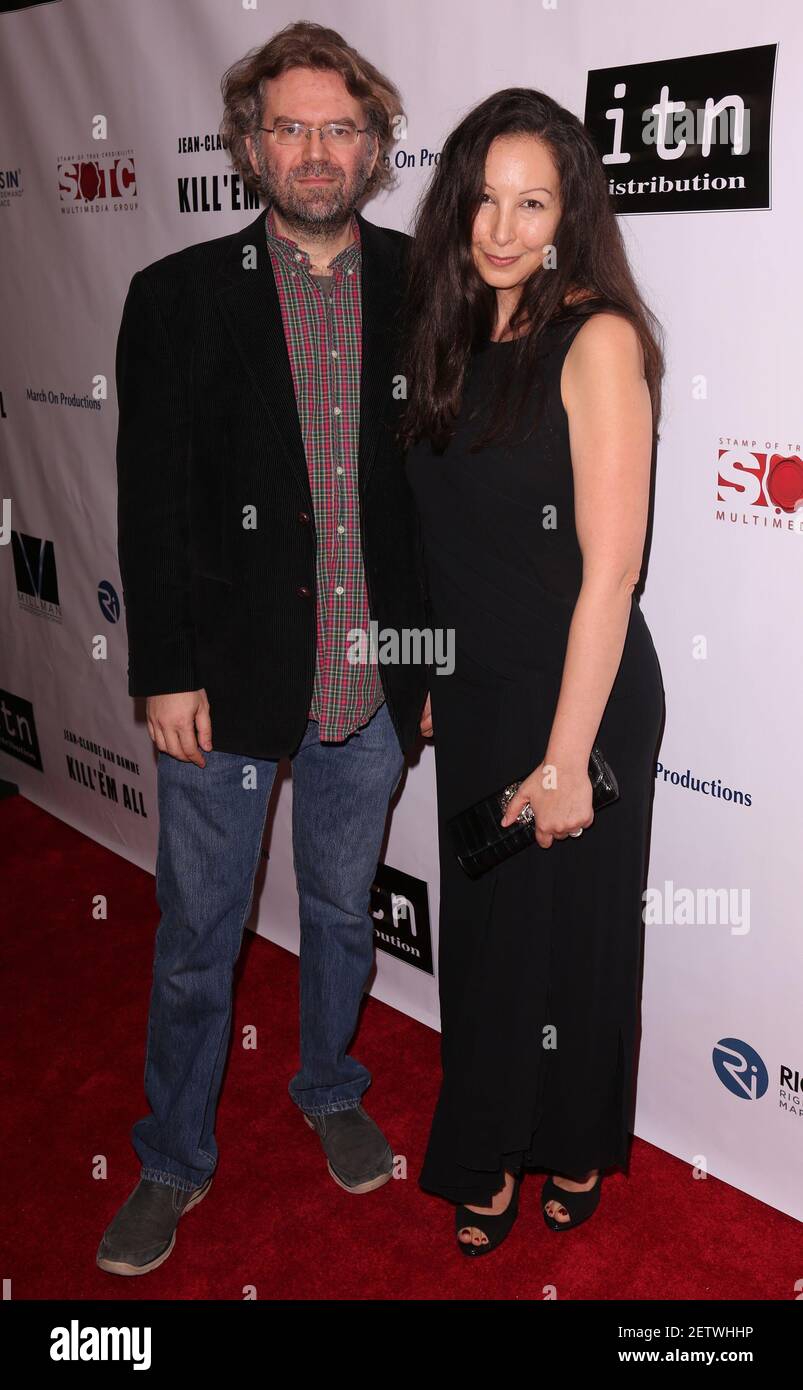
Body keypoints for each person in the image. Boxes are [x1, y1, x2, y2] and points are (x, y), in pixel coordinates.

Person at [97, 22, 427, 1276]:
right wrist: (163, 667)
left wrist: (426, 668)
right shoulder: (175, 297)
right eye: (287, 126)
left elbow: (429, 499)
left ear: (375, 145)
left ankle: (328, 1083)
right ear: (247, 143)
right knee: (198, 933)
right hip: (224, 686)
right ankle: (172, 1157)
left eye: (339, 127)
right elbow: (152, 498)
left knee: (344, 910)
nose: (313, 150)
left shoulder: (415, 284)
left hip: (371, 684)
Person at [402, 87, 666, 1254]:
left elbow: (611, 574)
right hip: (474, 692)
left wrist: (566, 760)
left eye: (532, 203)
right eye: (484, 199)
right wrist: (417, 669)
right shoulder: (448, 333)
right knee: (490, 941)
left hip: (585, 698)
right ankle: (488, 1142)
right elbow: (429, 541)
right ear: (456, 201)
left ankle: (565, 1140)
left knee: (575, 935)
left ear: (569, 216)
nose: (502, 228)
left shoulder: (594, 336)